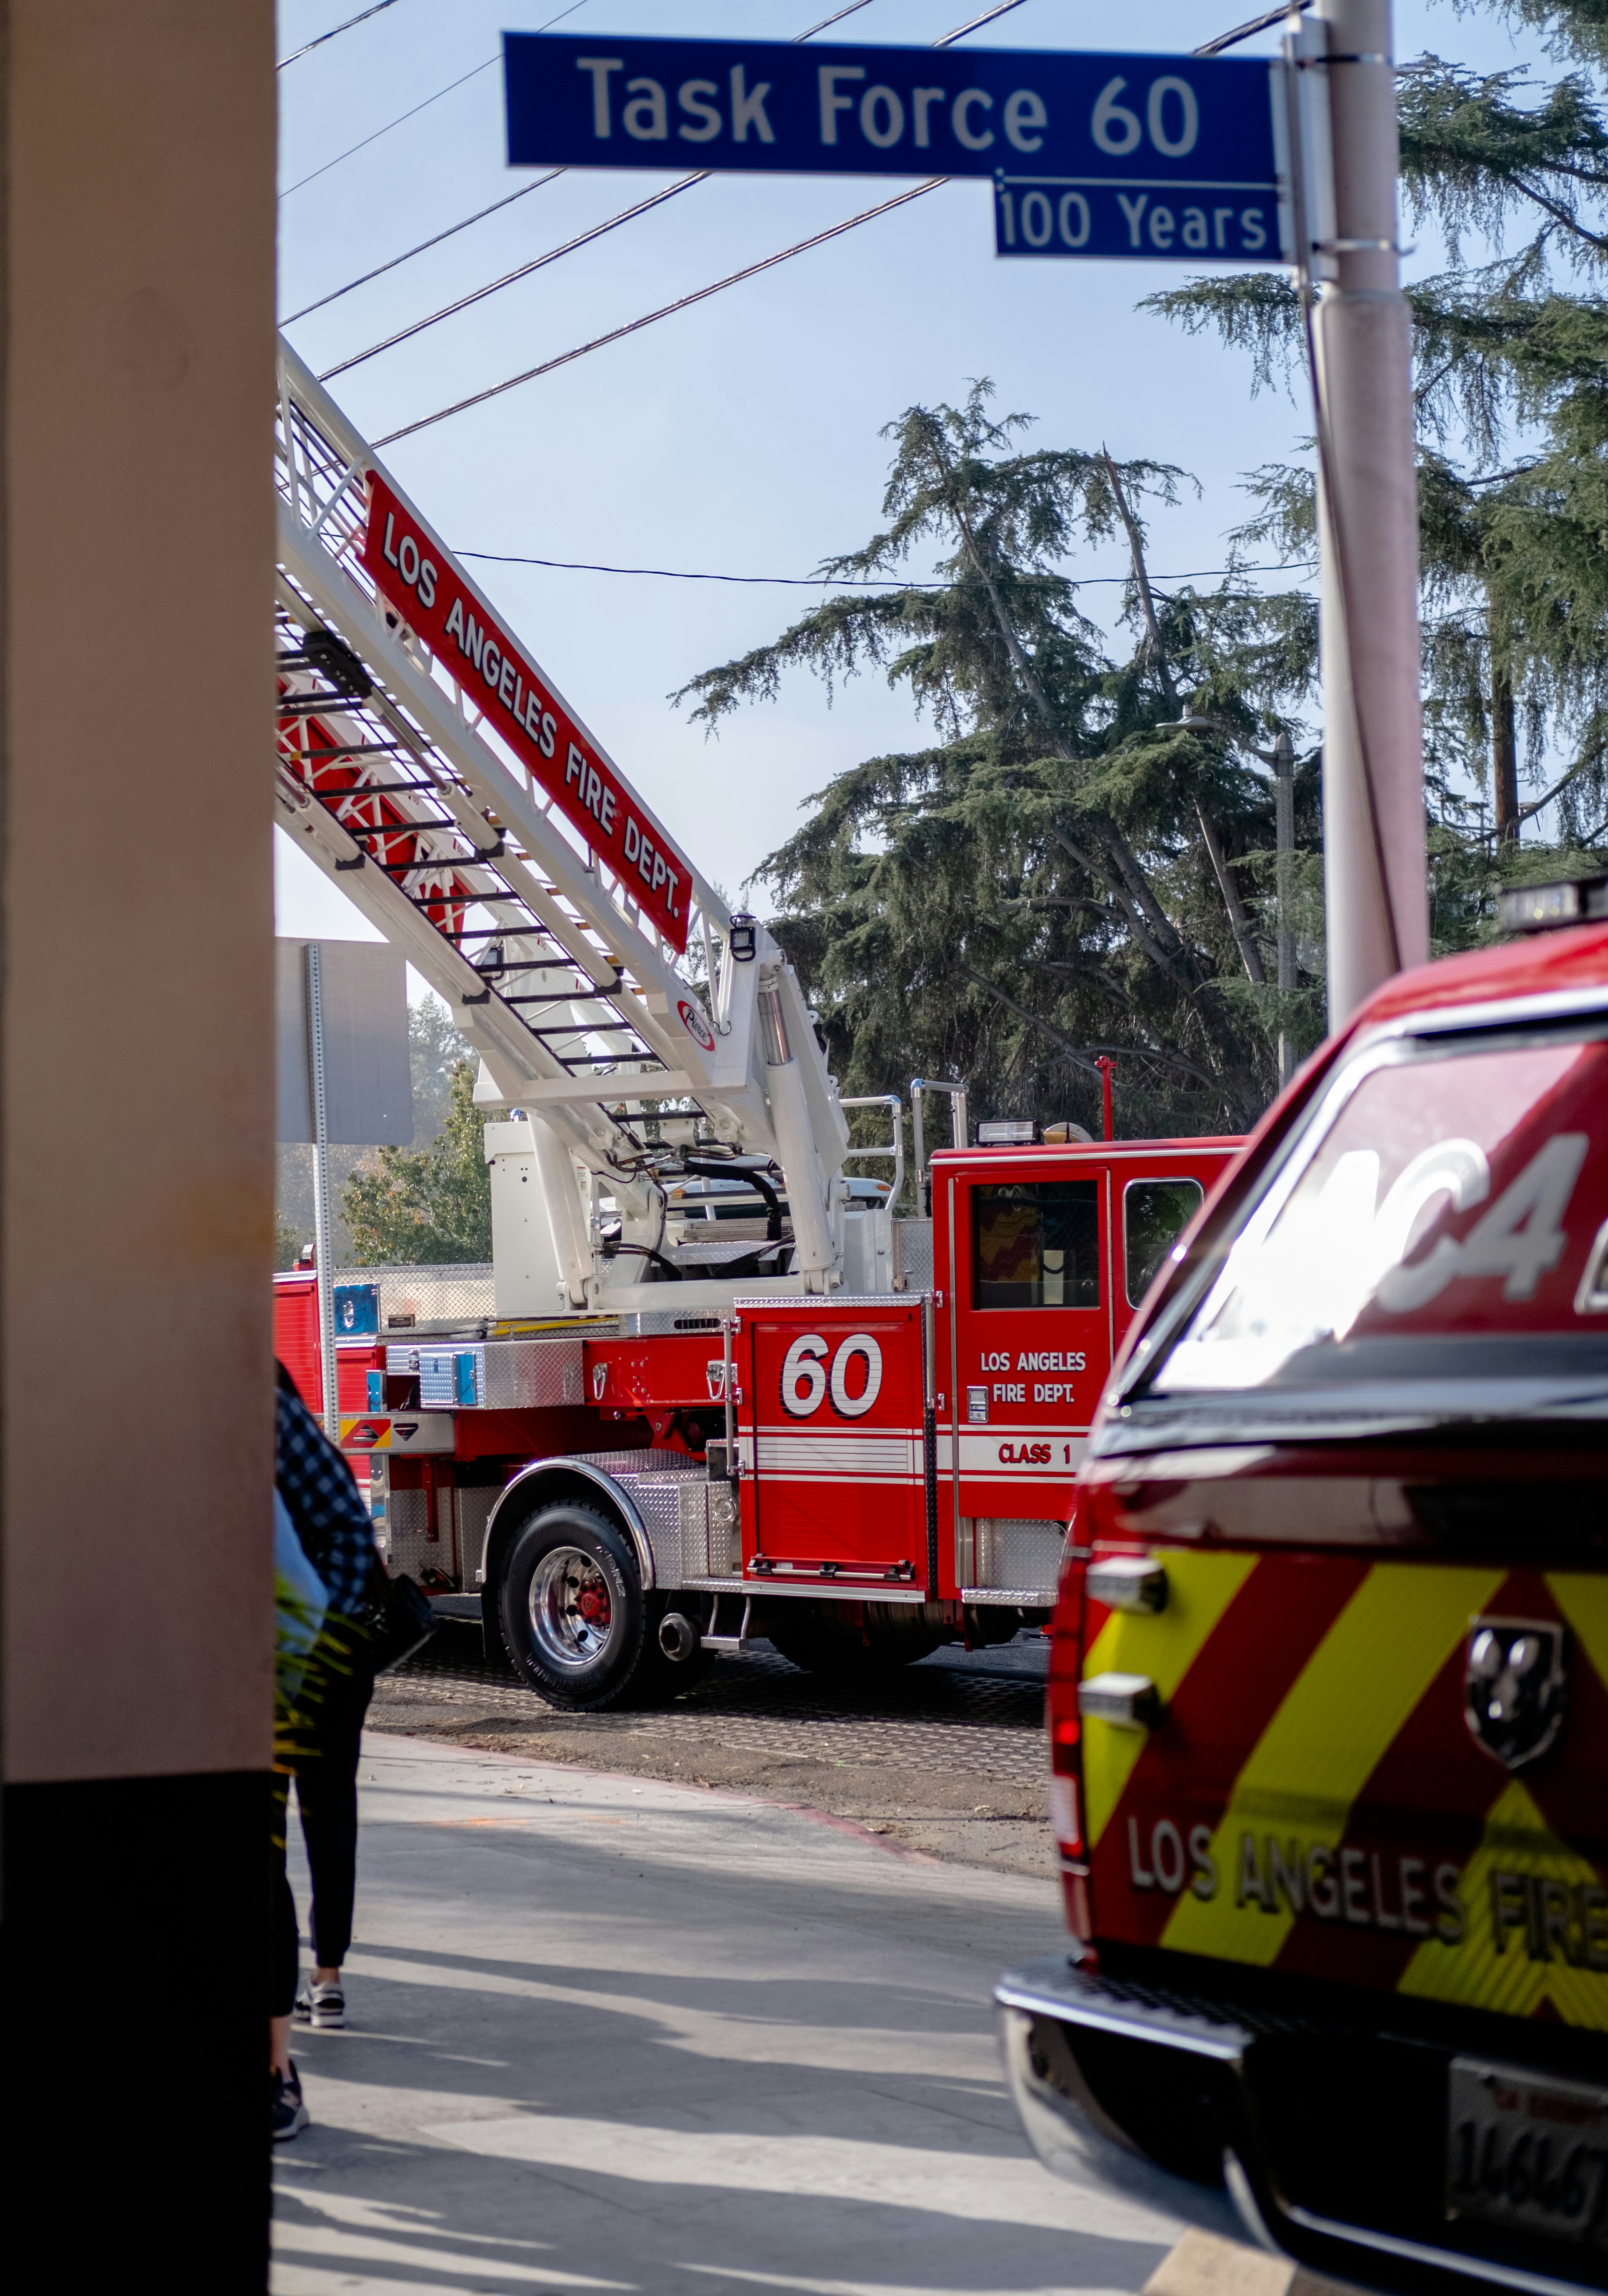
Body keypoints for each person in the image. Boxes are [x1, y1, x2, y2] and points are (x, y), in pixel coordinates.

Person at [271, 1360, 381, 2142]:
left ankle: (327, 1974)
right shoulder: (285, 1420)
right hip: (293, 1656)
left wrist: (326, 1637)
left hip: (316, 1660)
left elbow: (347, 1529)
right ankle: (323, 1978)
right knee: (308, 1822)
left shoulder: (266, 1421)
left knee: (320, 1813)